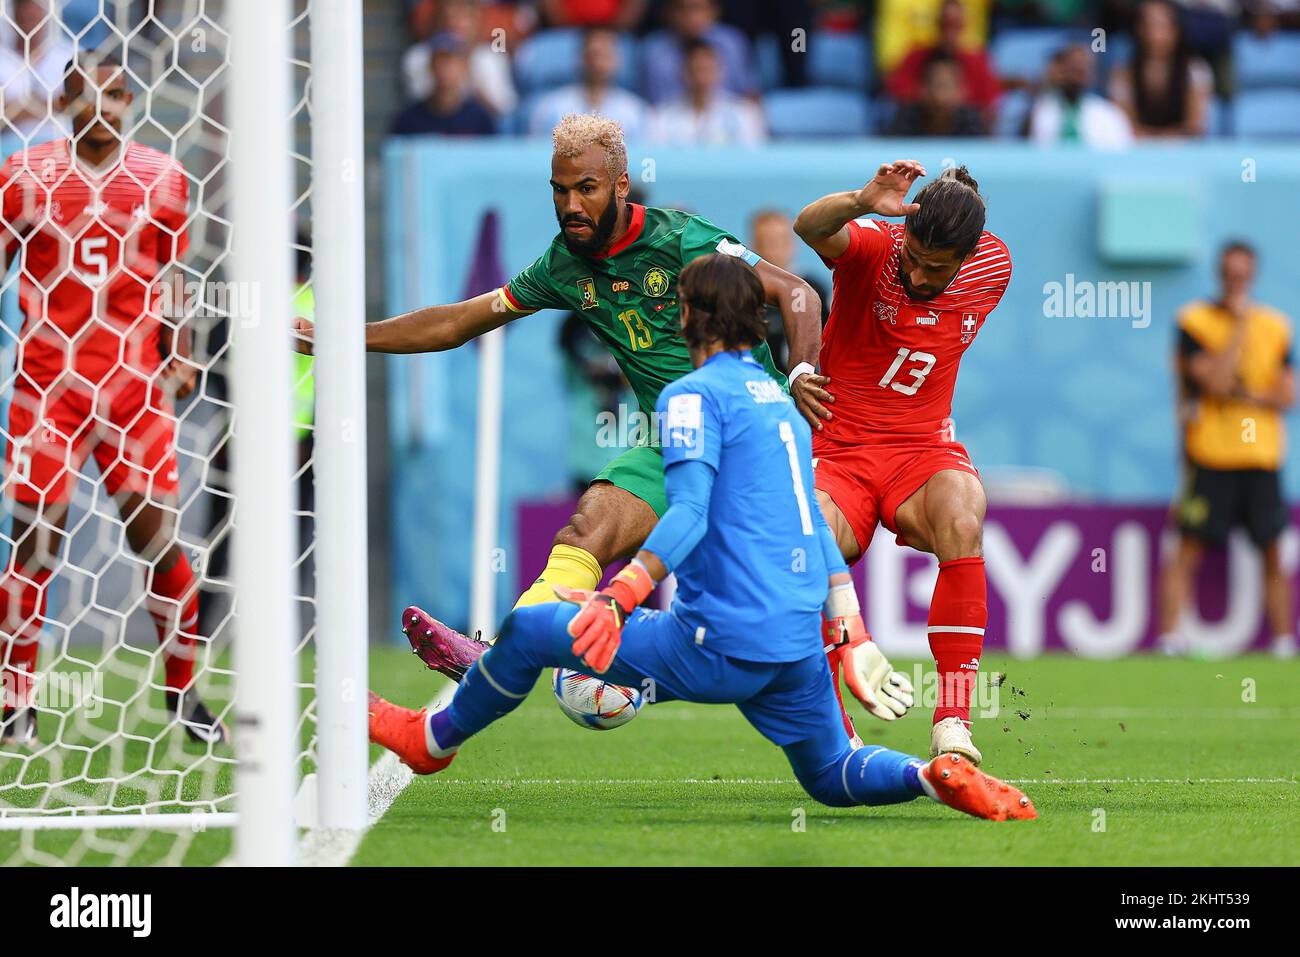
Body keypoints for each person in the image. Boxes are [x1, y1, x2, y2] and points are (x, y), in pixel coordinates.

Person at [294, 114, 912, 740]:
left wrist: (802, 367)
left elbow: (798, 294)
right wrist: (348, 338)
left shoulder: (680, 239)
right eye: (559, 190)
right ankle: (499, 653)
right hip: (673, 439)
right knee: (589, 526)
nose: (570, 204)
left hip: (749, 436)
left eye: (585, 187)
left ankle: (846, 743)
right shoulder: (564, 266)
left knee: (777, 602)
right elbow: (458, 323)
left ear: (621, 185)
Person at [368, 252, 1036, 824]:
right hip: (796, 641)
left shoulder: (687, 397)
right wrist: (852, 633)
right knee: (833, 771)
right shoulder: (785, 405)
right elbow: (810, 521)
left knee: (532, 630)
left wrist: (621, 594)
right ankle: (928, 775)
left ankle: (432, 739)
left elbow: (686, 513)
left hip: (713, 641)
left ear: (690, 316)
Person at [0, 51, 225, 746]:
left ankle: (184, 692)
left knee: (157, 541)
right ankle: (15, 702)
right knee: (36, 543)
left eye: (116, 91)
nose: (102, 103)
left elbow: (173, 274)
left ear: (131, 99)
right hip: (48, 388)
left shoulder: (163, 177)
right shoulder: (22, 175)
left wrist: (180, 350)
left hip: (132, 391)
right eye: (84, 91)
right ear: (63, 102)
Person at [794, 161, 1013, 765]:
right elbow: (809, 227)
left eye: (934, 267)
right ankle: (838, 731)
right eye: (913, 256)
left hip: (921, 449)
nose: (916, 272)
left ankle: (953, 722)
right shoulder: (877, 246)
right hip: (840, 452)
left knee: (964, 516)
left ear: (967, 257)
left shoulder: (995, 268)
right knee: (809, 542)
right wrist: (861, 200)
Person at [1159, 241, 1296, 659]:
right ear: (1221, 275)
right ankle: (1169, 639)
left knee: (1273, 551)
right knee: (1187, 550)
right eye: (1229, 273)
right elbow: (1215, 382)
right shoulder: (1193, 322)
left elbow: (1287, 395)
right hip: (1211, 456)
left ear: (1252, 274)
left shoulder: (1277, 326)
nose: (1236, 281)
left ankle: (1284, 643)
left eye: (1243, 273)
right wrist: (1238, 327)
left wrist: (1246, 394)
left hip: (1261, 459)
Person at [1108, 0, 1213, 138]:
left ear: (1176, 30)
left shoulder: (1197, 71)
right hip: (1137, 151)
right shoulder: (1122, 73)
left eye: (1162, 26)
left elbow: (1195, 127)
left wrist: (1162, 142)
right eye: (1148, 25)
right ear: (1138, 30)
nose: (1154, 34)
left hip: (1184, 151)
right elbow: (1123, 127)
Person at [400, 0, 517, 120]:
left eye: (463, 17)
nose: (455, 24)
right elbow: (424, 107)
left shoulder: (491, 58)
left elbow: (505, 111)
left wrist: (470, 69)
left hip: (481, 133)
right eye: (450, 16)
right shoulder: (418, 57)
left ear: (475, 21)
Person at [527, 27, 649, 141]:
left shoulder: (635, 112)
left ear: (617, 61)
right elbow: (539, 154)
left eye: (605, 55)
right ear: (580, 59)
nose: (598, 63)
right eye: (593, 55)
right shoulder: (551, 108)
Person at [886, 0, 1000, 118]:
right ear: (936, 24)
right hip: (920, 127)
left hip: (966, 130)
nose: (949, 33)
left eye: (955, 25)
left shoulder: (978, 61)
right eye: (945, 24)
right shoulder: (916, 55)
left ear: (964, 26)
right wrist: (931, 96)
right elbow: (895, 89)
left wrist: (956, 100)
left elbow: (990, 103)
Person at [748, 208, 829, 373]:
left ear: (794, 244)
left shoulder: (813, 288)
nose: (776, 250)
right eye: (769, 242)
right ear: (754, 245)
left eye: (782, 241)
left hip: (802, 386)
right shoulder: (743, 290)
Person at [647, 39, 766, 146]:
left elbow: (753, 160)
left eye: (707, 69)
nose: (701, 78)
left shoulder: (744, 114)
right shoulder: (661, 117)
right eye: (695, 70)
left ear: (721, 72)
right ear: (682, 73)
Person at [640, 0, 758, 105]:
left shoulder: (732, 43)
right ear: (668, 12)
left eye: (697, 8)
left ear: (714, 11)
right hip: (671, 123)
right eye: (681, 8)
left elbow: (748, 94)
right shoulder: (653, 52)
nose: (690, 16)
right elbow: (651, 106)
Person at [390, 32, 498, 137]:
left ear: (464, 67)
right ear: (430, 66)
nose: (445, 69)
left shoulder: (480, 119)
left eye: (451, 62)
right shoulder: (408, 119)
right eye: (440, 61)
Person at [1027, 44, 1133, 148]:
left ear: (1093, 73)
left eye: (1082, 68)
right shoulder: (1042, 110)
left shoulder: (1107, 114)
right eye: (1071, 68)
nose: (1075, 75)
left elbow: (1120, 154)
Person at [886, 54, 986, 137]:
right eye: (936, 85)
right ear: (923, 89)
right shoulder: (905, 119)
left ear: (961, 91)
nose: (940, 93)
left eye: (946, 86)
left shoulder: (971, 121)